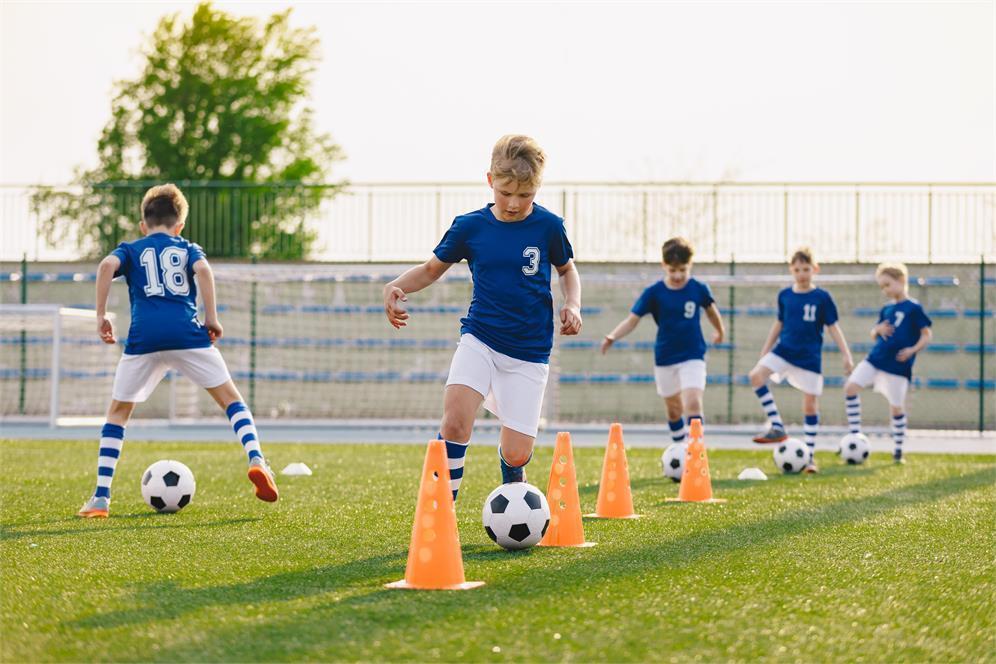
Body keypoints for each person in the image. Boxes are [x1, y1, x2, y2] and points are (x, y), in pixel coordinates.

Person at [382, 135, 582, 501]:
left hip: (530, 351)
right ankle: (441, 513)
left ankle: (513, 480)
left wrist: (573, 304)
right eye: (506, 193)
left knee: (517, 451)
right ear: (490, 181)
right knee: (456, 419)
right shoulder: (469, 227)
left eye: (525, 195)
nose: (514, 203)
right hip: (481, 338)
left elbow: (568, 270)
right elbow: (430, 269)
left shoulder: (549, 226)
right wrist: (396, 286)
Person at [77, 184, 278, 518]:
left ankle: (100, 498)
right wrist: (211, 318)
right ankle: (256, 459)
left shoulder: (131, 248)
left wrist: (101, 316)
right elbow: (203, 271)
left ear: (144, 224)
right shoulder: (188, 249)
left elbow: (104, 267)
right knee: (232, 401)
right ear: (179, 225)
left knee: (117, 414)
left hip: (144, 340)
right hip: (188, 335)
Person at [601, 237, 724, 456]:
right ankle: (678, 448)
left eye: (683, 270)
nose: (678, 275)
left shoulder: (698, 289)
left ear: (690, 266)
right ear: (664, 266)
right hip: (665, 357)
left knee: (693, 402)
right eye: (673, 270)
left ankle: (695, 454)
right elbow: (632, 320)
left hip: (693, 354)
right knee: (674, 409)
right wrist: (612, 336)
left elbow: (711, 311)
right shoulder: (654, 292)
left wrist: (720, 331)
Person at [747, 248, 854, 473]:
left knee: (810, 404)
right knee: (756, 375)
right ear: (791, 270)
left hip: (809, 357)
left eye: (806, 269)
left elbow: (833, 327)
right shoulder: (785, 295)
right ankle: (777, 425)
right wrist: (766, 349)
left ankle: (810, 457)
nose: (802, 274)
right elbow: (779, 323)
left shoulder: (822, 298)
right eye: (797, 269)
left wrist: (846, 354)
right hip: (784, 350)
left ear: (815, 269)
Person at [844, 262, 932, 463]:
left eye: (887, 285)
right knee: (850, 387)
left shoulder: (914, 308)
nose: (884, 290)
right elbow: (876, 333)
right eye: (881, 286)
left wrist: (912, 350)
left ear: (901, 281)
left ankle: (898, 450)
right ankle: (855, 437)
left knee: (896, 408)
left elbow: (927, 335)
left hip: (897, 366)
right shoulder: (886, 309)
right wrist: (877, 330)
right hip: (875, 359)